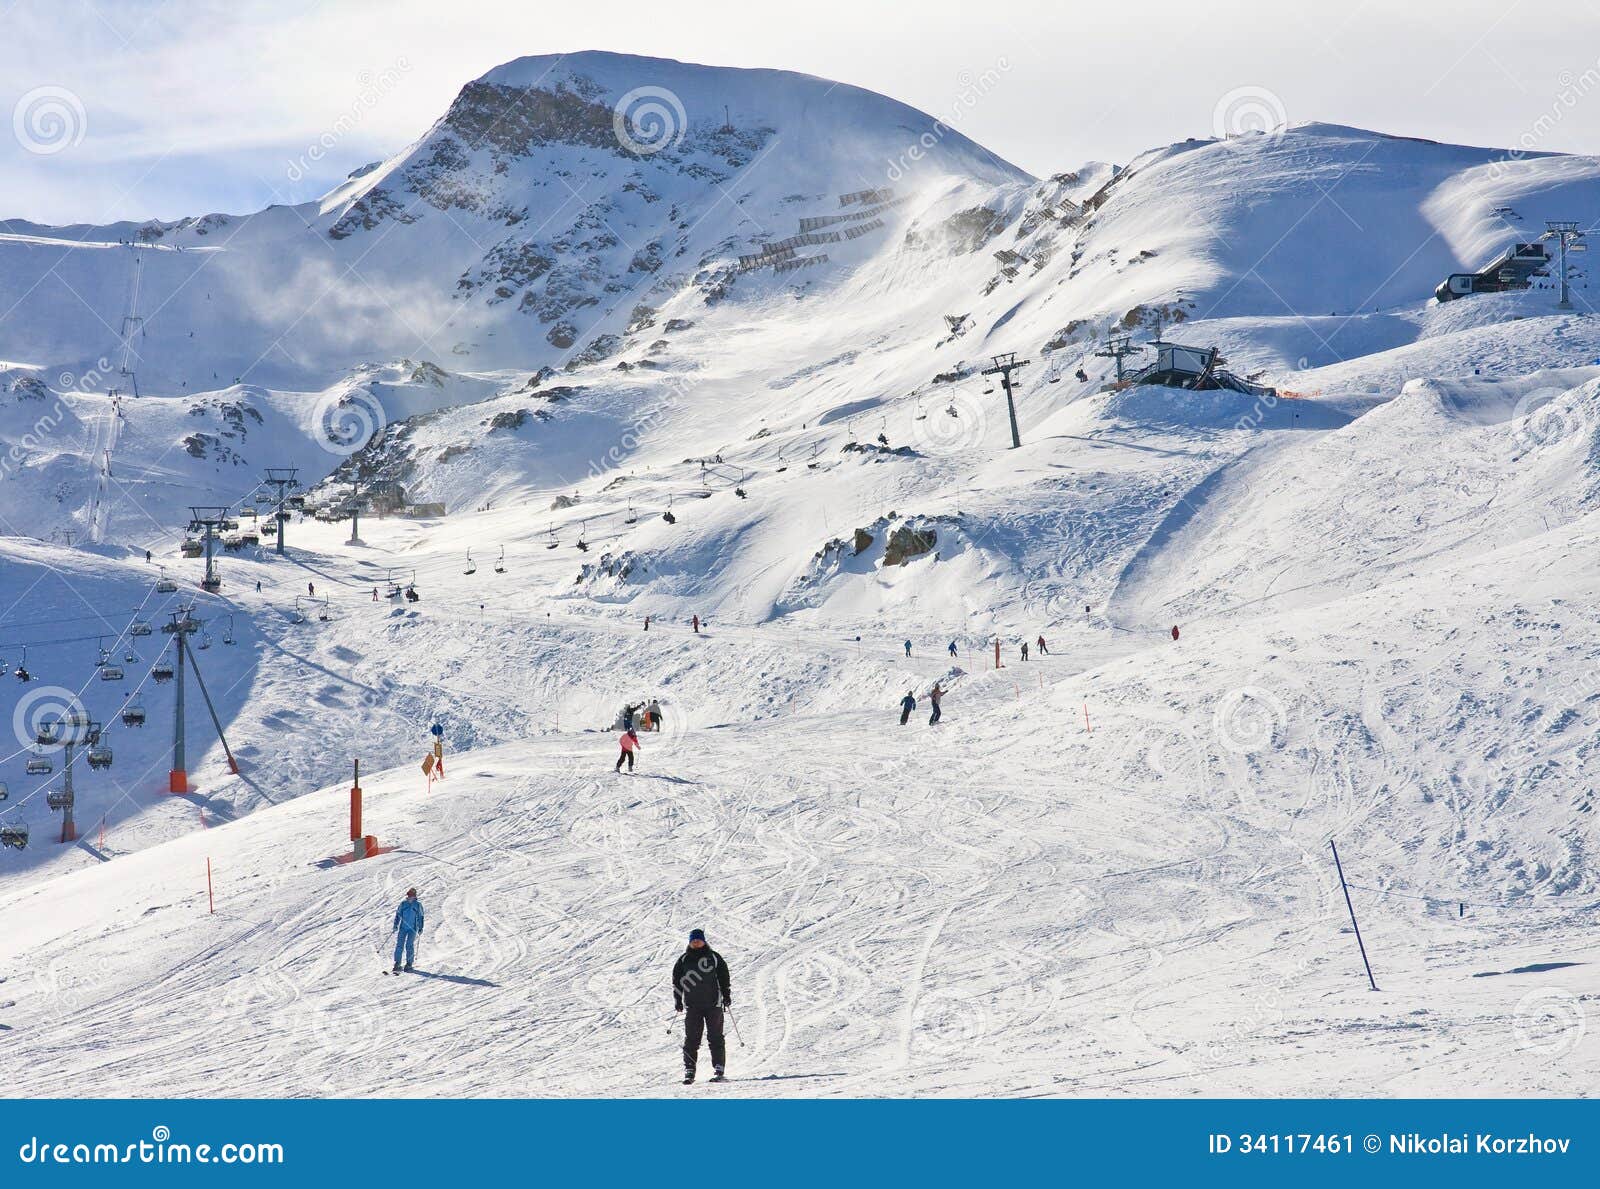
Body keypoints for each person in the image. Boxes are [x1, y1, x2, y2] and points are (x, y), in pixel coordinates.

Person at [673, 928, 731, 1084]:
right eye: (693, 940)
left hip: (713, 1004)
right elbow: (677, 981)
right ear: (690, 942)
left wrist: (726, 996)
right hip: (693, 1006)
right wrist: (678, 1000)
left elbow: (724, 977)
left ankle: (719, 1070)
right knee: (691, 1039)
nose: (696, 942)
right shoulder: (684, 960)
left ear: (704, 941)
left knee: (716, 1038)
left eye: (698, 940)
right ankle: (689, 1071)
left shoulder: (713, 958)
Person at [391, 888, 424, 973]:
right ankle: (397, 963)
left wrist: (420, 927)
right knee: (399, 945)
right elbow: (398, 915)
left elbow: (421, 917)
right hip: (403, 928)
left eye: (412, 895)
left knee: (409, 945)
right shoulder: (403, 904)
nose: (410, 897)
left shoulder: (417, 905)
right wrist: (395, 925)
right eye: (409, 895)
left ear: (415, 896)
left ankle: (409, 964)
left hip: (412, 928)